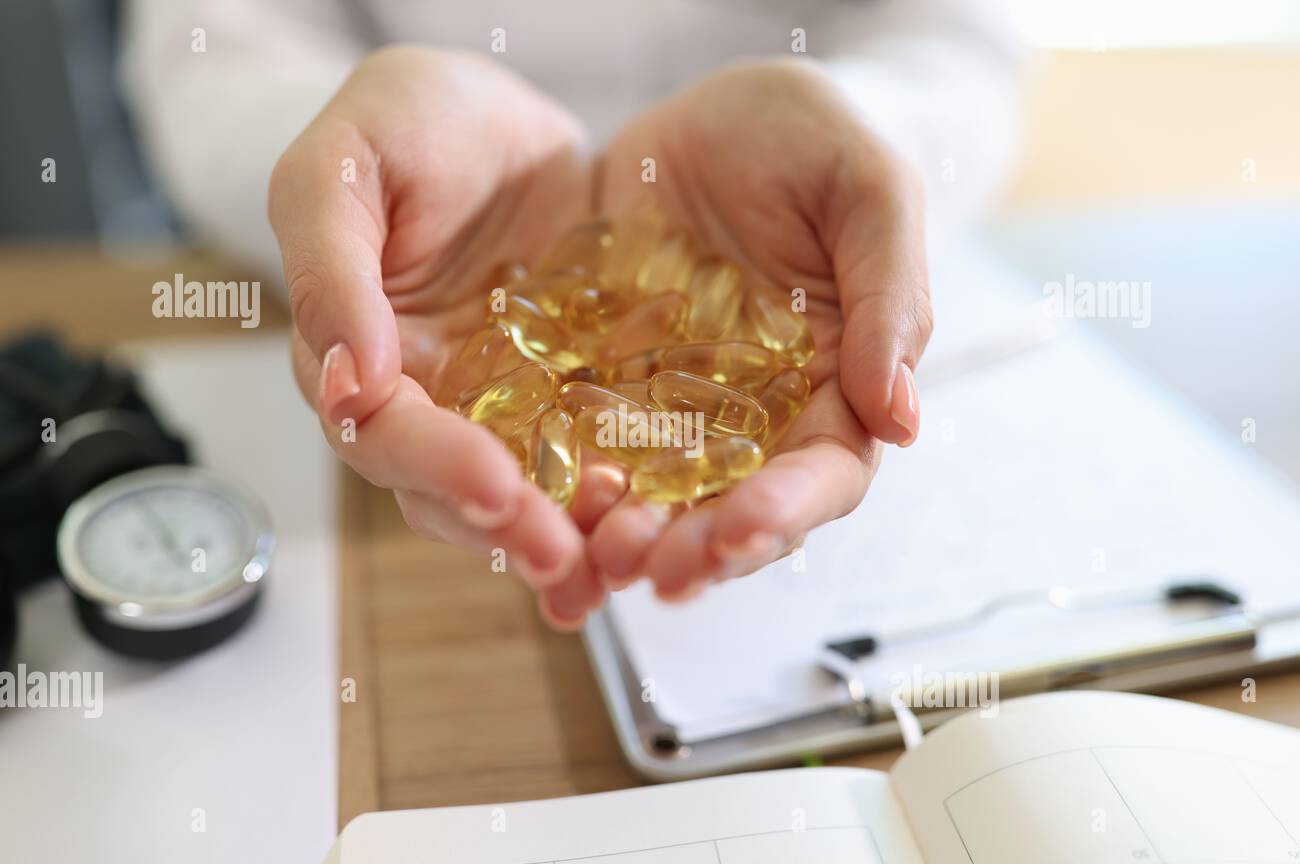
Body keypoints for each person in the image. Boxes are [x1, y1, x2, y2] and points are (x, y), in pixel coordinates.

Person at [122, 0, 1024, 628]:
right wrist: (339, 154)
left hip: (795, 267)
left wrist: (874, 127)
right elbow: (216, 40)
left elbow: (963, 28)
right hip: (428, 299)